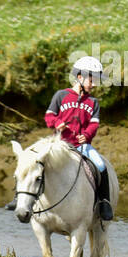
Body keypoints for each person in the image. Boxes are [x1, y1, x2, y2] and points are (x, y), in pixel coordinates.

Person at [17, 55, 114, 220]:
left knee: (101, 166)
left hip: (81, 146)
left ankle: (104, 202)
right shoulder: (60, 96)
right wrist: (57, 123)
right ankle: (18, 198)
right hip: (59, 145)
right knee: (31, 160)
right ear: (80, 77)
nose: (95, 84)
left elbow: (94, 124)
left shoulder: (93, 102)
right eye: (92, 80)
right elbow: (49, 116)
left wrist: (87, 135)